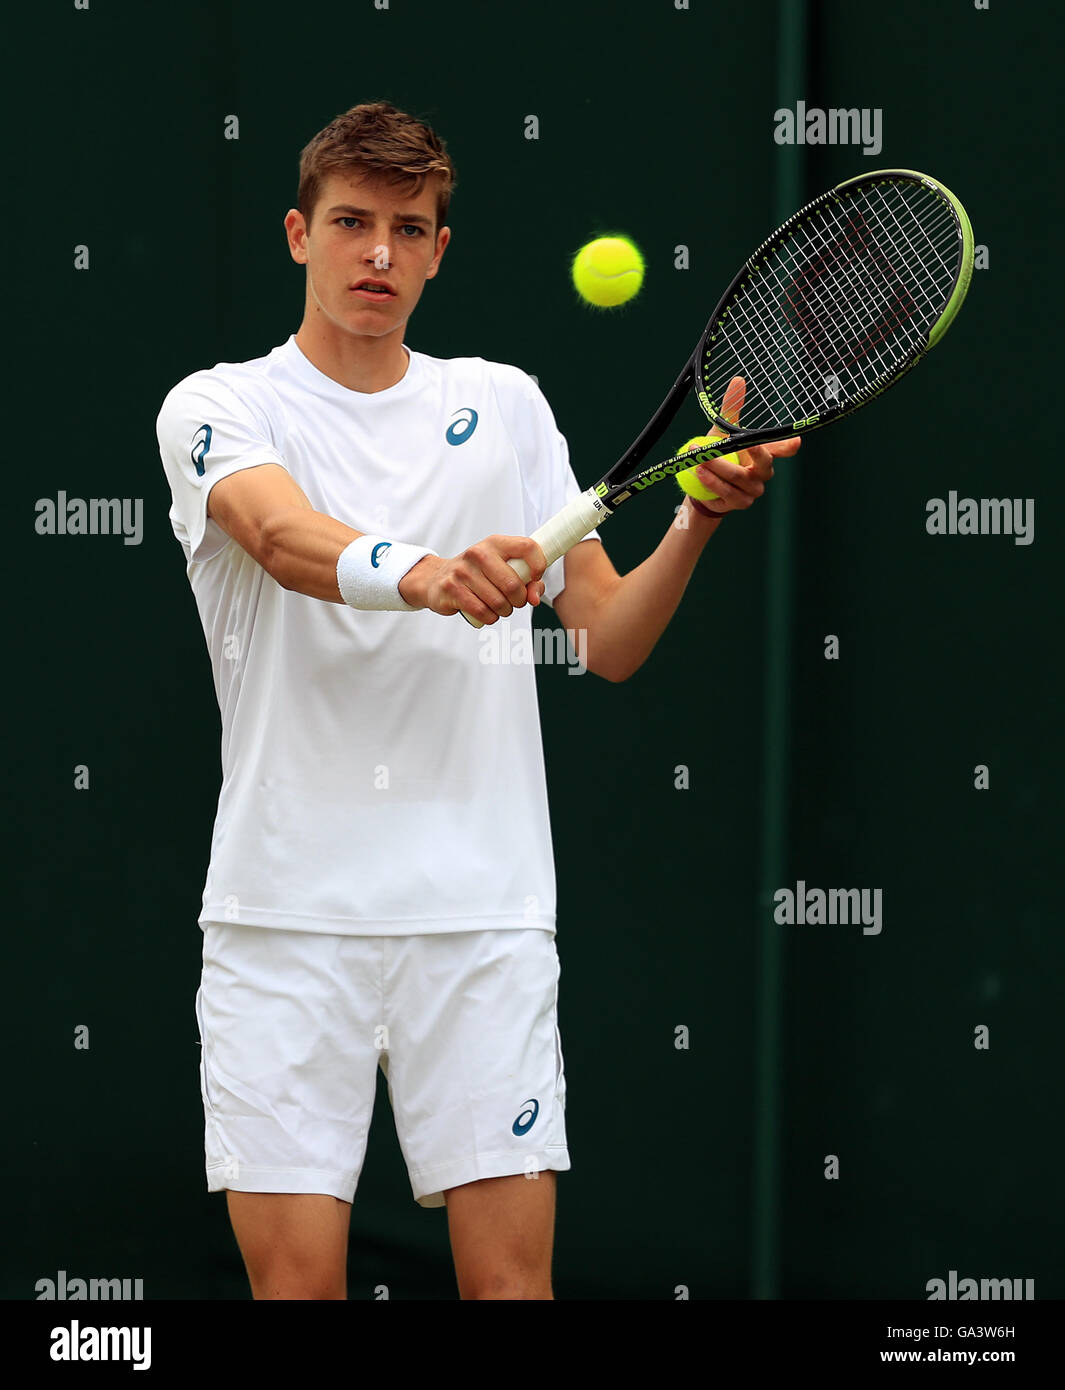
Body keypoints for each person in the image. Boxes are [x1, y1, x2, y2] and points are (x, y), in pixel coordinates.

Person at [157, 100, 797, 1301]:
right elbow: (281, 535)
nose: (380, 254)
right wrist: (426, 572)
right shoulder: (217, 405)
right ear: (301, 233)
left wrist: (696, 518)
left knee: (512, 1293)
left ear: (440, 250)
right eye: (352, 223)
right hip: (286, 920)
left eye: (409, 228)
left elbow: (606, 638)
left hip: (483, 918)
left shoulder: (504, 404)